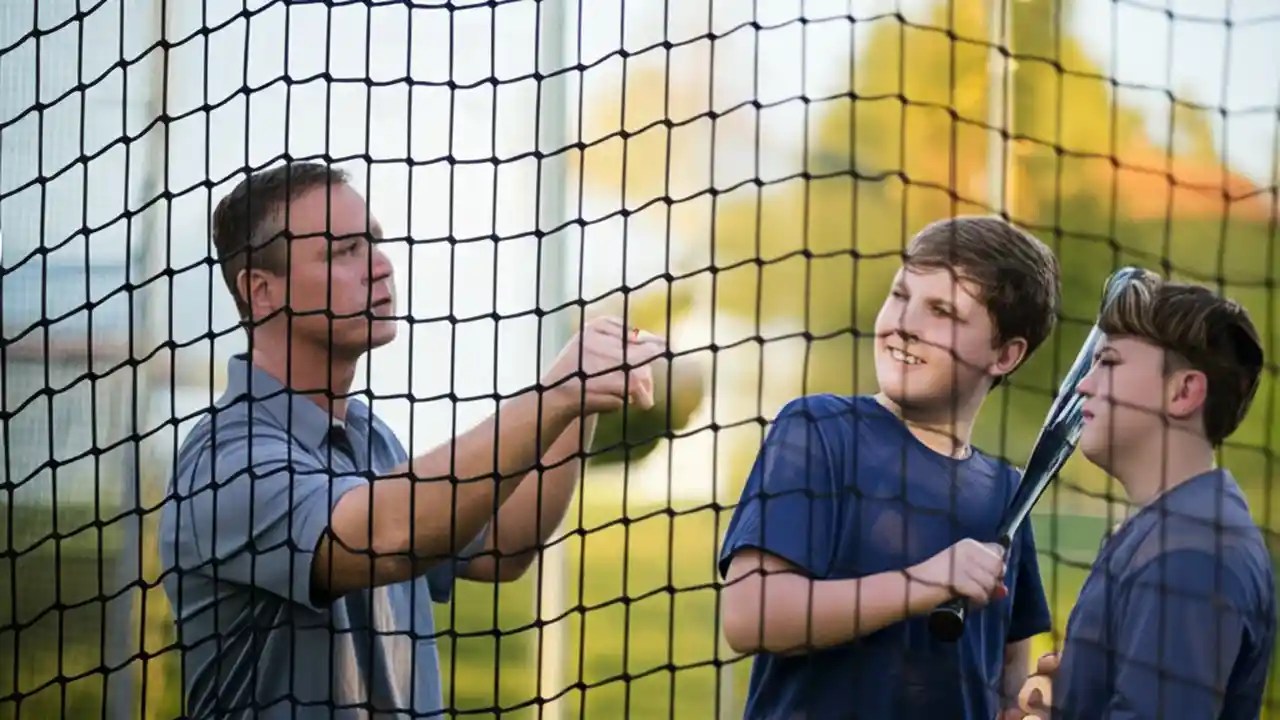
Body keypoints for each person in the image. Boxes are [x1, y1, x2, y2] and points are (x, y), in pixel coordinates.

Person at [157, 162, 665, 718]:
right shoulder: (225, 463)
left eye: (373, 242)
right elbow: (388, 533)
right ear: (262, 292)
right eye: (342, 250)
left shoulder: (369, 438)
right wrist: (556, 394)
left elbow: (504, 546)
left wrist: (580, 399)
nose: (380, 266)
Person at [718, 216, 1062, 719]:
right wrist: (924, 583)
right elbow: (752, 616)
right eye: (900, 296)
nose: (904, 323)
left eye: (941, 311)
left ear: (1005, 355)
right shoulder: (820, 429)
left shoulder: (1007, 494)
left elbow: (1006, 676)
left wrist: (1031, 706)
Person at [1014, 271, 1275, 720]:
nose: (1083, 385)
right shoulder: (1168, 532)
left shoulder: (1192, 555)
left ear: (1184, 391)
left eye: (1109, 363)